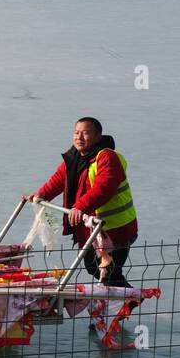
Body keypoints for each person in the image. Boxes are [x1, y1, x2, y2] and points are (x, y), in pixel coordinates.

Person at [28, 117, 137, 287]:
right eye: (76, 133)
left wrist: (80, 206)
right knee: (93, 267)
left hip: (116, 230)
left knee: (109, 273)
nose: (79, 137)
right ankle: (126, 301)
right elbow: (59, 180)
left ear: (98, 137)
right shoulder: (75, 157)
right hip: (92, 230)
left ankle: (127, 303)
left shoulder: (106, 157)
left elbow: (105, 187)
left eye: (85, 133)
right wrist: (41, 194)